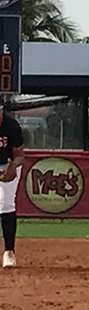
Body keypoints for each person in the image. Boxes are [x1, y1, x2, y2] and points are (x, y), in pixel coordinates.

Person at [0, 98, 25, 269]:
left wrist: (13, 167)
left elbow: (20, 155)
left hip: (7, 164)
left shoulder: (10, 125)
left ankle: (9, 252)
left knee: (5, 204)